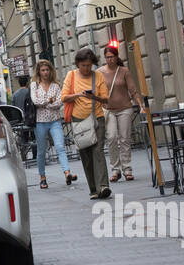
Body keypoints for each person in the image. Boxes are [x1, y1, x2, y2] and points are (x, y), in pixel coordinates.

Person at [61, 48, 110, 199]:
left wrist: (94, 97)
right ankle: (93, 190)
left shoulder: (98, 76)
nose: (86, 68)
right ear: (78, 64)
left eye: (89, 65)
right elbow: (64, 98)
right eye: (83, 65)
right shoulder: (71, 76)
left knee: (98, 151)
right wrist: (78, 95)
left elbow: (106, 99)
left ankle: (104, 186)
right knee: (86, 156)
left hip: (97, 118)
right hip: (79, 120)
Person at [30, 59, 76, 189]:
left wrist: (46, 102)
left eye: (47, 70)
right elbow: (35, 101)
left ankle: (67, 172)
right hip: (40, 122)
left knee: (60, 146)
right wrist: (49, 101)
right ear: (39, 71)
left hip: (55, 120)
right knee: (41, 151)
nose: (45, 72)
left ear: (51, 71)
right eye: (43, 70)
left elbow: (59, 102)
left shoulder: (56, 85)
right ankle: (42, 177)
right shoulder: (35, 84)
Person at [102, 45, 145, 182]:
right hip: (108, 110)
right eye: (107, 57)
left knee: (125, 138)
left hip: (125, 108)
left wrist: (141, 105)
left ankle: (127, 169)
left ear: (116, 57)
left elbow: (133, 89)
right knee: (112, 138)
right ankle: (115, 169)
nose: (110, 60)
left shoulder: (124, 71)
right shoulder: (100, 72)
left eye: (112, 57)